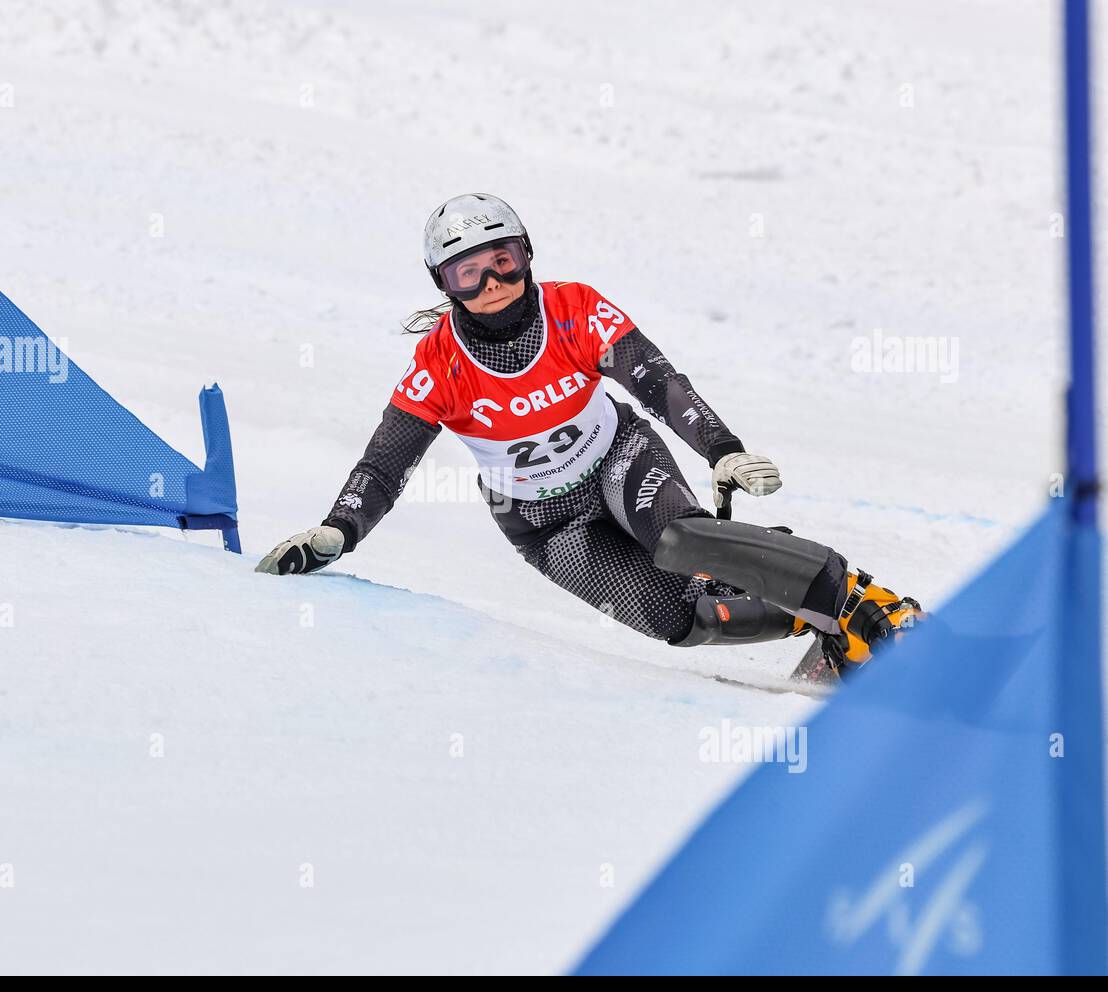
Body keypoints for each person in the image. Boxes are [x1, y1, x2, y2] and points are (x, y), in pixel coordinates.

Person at [257, 193, 921, 674]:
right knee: (688, 618)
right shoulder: (441, 364)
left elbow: (656, 380)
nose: (492, 284)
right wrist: (336, 533)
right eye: (469, 273)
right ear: (445, 285)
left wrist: (723, 450)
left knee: (682, 541)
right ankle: (829, 632)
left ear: (527, 256)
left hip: (618, 457)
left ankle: (863, 603)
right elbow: (385, 466)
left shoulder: (571, 310)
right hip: (539, 520)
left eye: (505, 261)